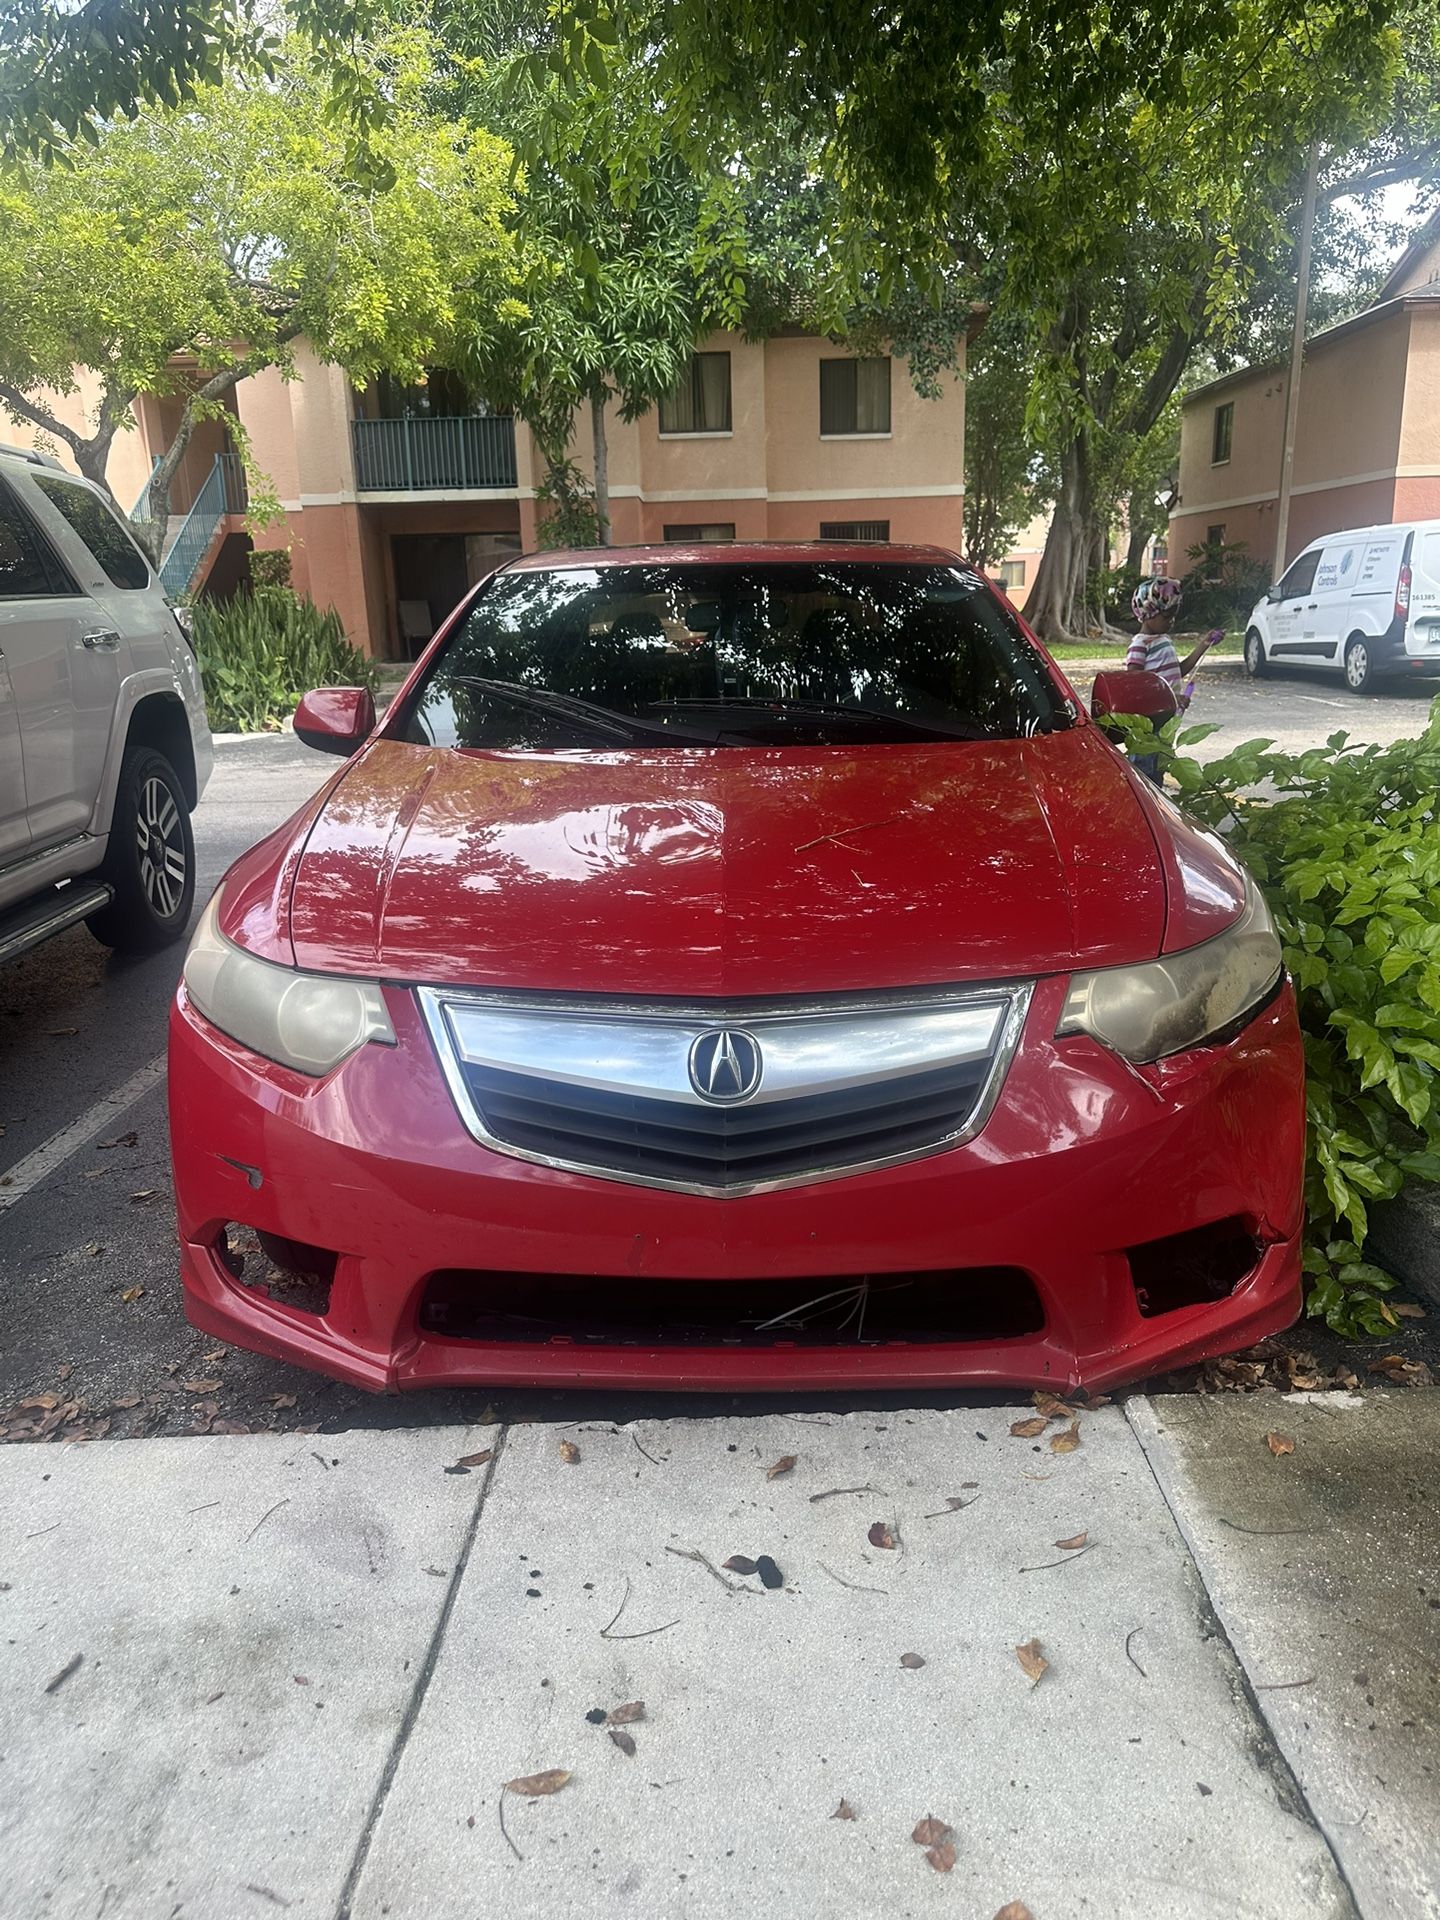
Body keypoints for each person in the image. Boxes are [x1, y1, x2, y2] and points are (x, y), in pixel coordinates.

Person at [1125, 577, 1222, 783]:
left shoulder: (1163, 640)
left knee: (1158, 767)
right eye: (1166, 615)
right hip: (1148, 725)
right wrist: (1169, 698)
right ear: (1148, 613)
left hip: (1165, 722)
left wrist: (1204, 644)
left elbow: (1179, 671)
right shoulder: (1140, 645)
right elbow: (1134, 685)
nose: (1171, 621)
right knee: (1144, 772)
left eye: (1174, 615)